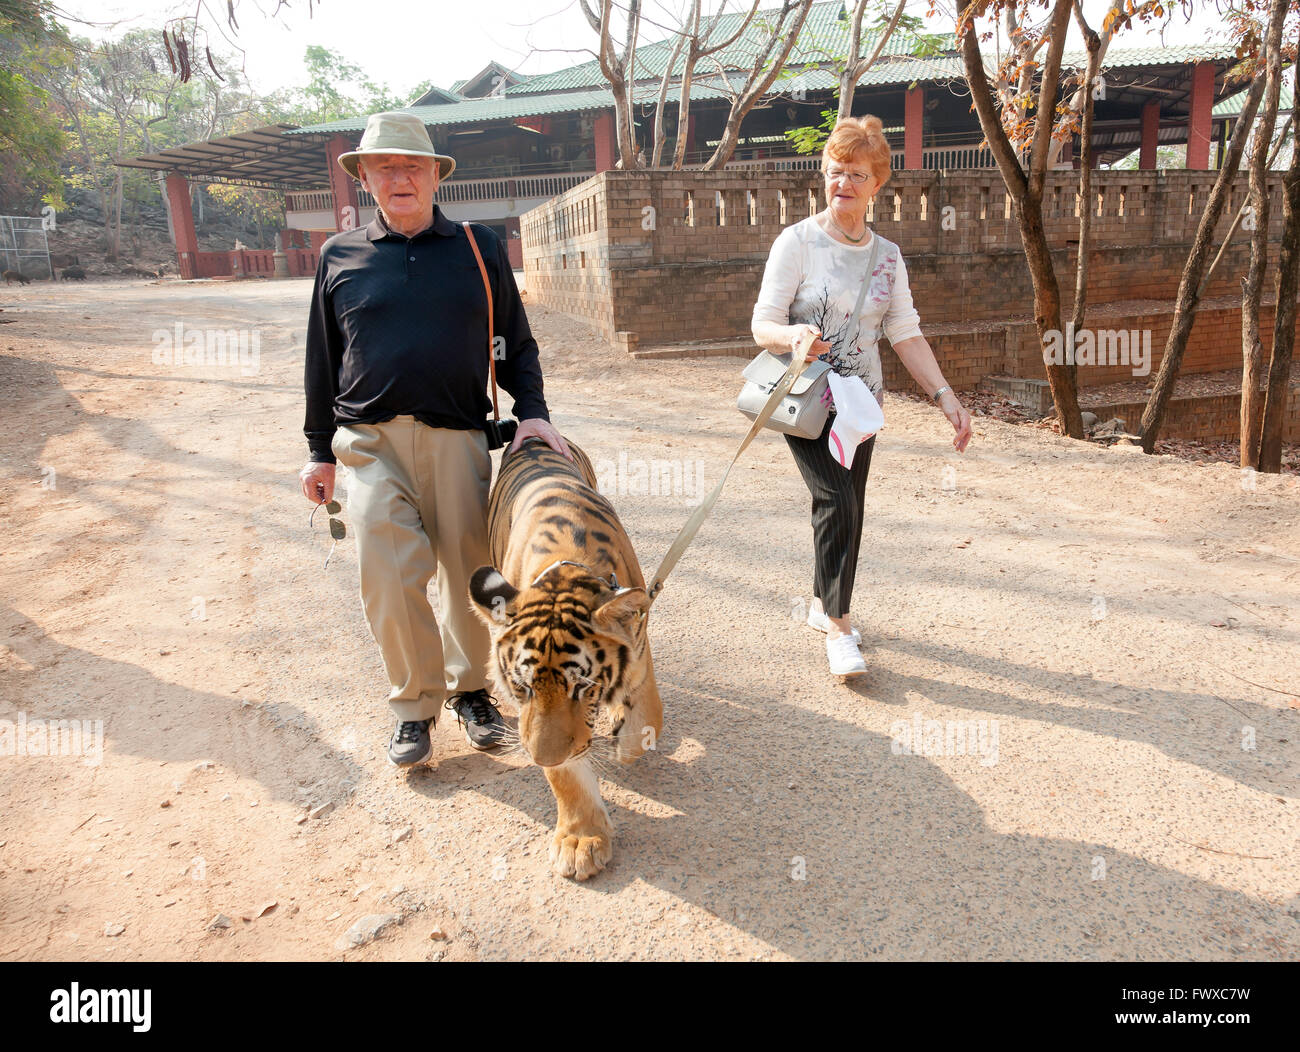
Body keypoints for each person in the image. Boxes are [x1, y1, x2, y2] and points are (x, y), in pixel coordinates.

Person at [298, 111, 570, 766]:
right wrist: (317, 448)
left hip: (459, 437)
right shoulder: (340, 255)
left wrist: (532, 410)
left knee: (470, 572)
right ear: (364, 177)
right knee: (386, 570)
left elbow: (515, 342)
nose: (399, 177)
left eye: (412, 166)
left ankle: (471, 690)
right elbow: (321, 357)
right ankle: (413, 707)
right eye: (385, 166)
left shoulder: (476, 249)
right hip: (368, 443)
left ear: (434, 176)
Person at [751, 115, 972, 678]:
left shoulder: (889, 257)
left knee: (851, 507)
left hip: (861, 406)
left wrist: (945, 396)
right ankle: (840, 628)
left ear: (877, 183)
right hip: (807, 397)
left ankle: (823, 601)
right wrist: (792, 335)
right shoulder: (797, 243)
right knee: (835, 501)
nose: (841, 183)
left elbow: (905, 332)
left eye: (854, 174)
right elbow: (761, 324)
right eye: (833, 172)